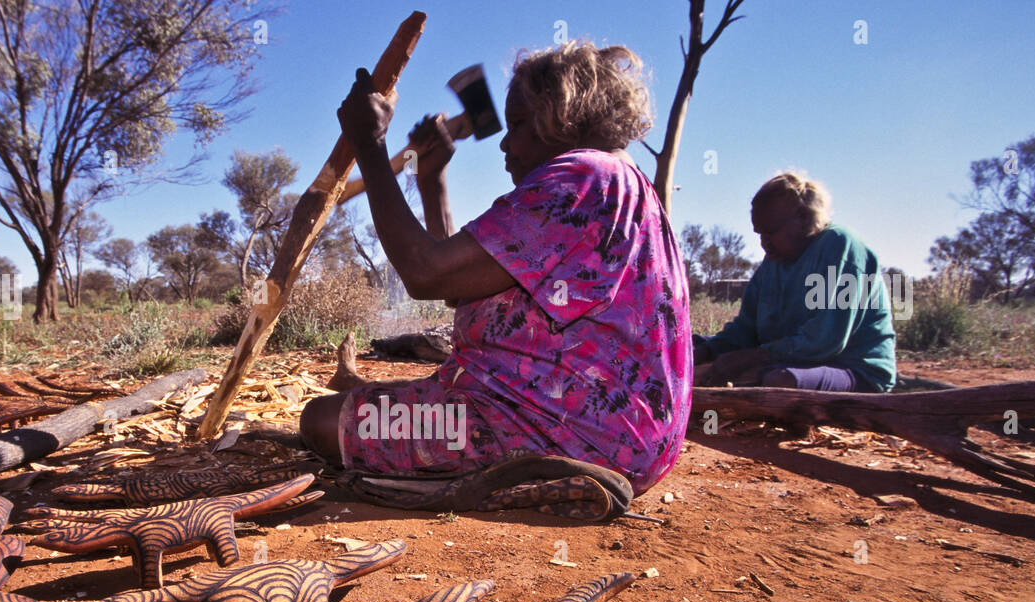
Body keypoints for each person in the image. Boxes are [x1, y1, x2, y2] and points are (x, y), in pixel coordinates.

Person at [301, 41, 692, 497]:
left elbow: (427, 273)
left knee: (325, 421)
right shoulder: (615, 184)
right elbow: (455, 284)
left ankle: (537, 473)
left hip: (564, 429)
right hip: (612, 434)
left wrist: (370, 144)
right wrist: (431, 180)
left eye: (521, 124)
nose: (505, 142)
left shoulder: (583, 177)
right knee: (361, 412)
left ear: (564, 116)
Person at [693, 172, 897, 392]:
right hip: (796, 362)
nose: (764, 244)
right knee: (690, 345)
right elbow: (745, 329)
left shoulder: (838, 247)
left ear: (803, 217)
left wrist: (751, 358)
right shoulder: (774, 263)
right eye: (760, 234)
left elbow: (824, 341)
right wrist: (705, 352)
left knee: (779, 382)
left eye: (771, 232)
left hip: (853, 368)